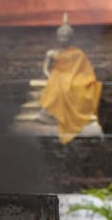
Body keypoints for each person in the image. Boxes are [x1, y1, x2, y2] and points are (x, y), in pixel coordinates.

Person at [39, 14, 103, 144]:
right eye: (61, 37)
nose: (63, 40)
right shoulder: (51, 53)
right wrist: (50, 76)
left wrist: (75, 78)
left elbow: (84, 70)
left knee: (73, 86)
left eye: (66, 37)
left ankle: (66, 115)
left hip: (72, 76)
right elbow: (45, 69)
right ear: (57, 38)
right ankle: (50, 114)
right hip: (57, 76)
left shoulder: (77, 53)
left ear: (71, 39)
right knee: (58, 84)